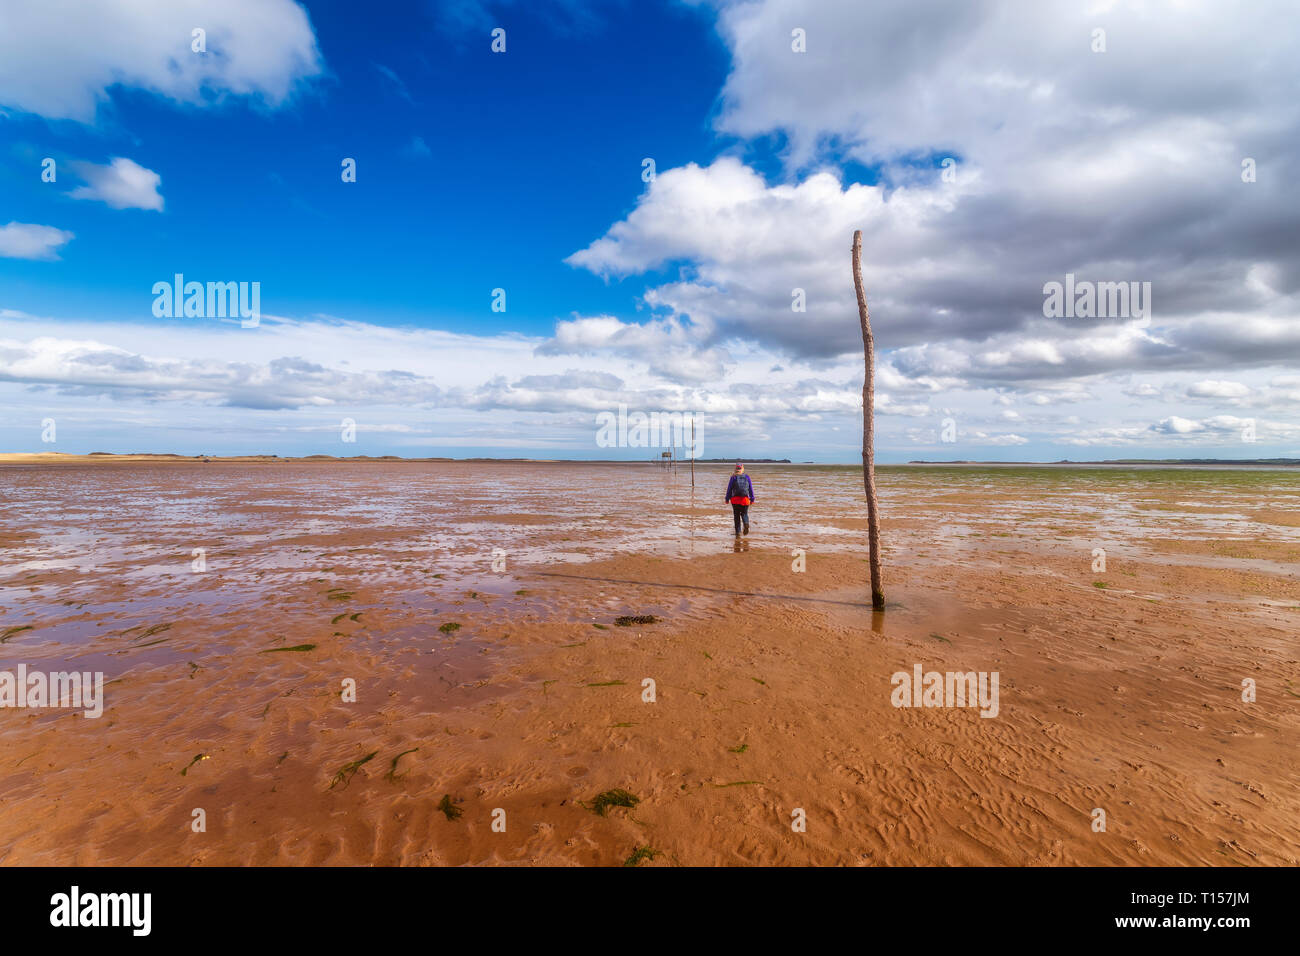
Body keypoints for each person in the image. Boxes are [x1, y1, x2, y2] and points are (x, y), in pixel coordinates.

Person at [725, 462, 755, 536]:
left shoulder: (733, 477)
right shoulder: (747, 477)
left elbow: (729, 489)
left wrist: (727, 498)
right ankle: (746, 523)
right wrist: (752, 499)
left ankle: (738, 532)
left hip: (735, 500)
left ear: (735, 469)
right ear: (742, 468)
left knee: (736, 516)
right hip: (745, 500)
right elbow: (750, 489)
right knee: (744, 514)